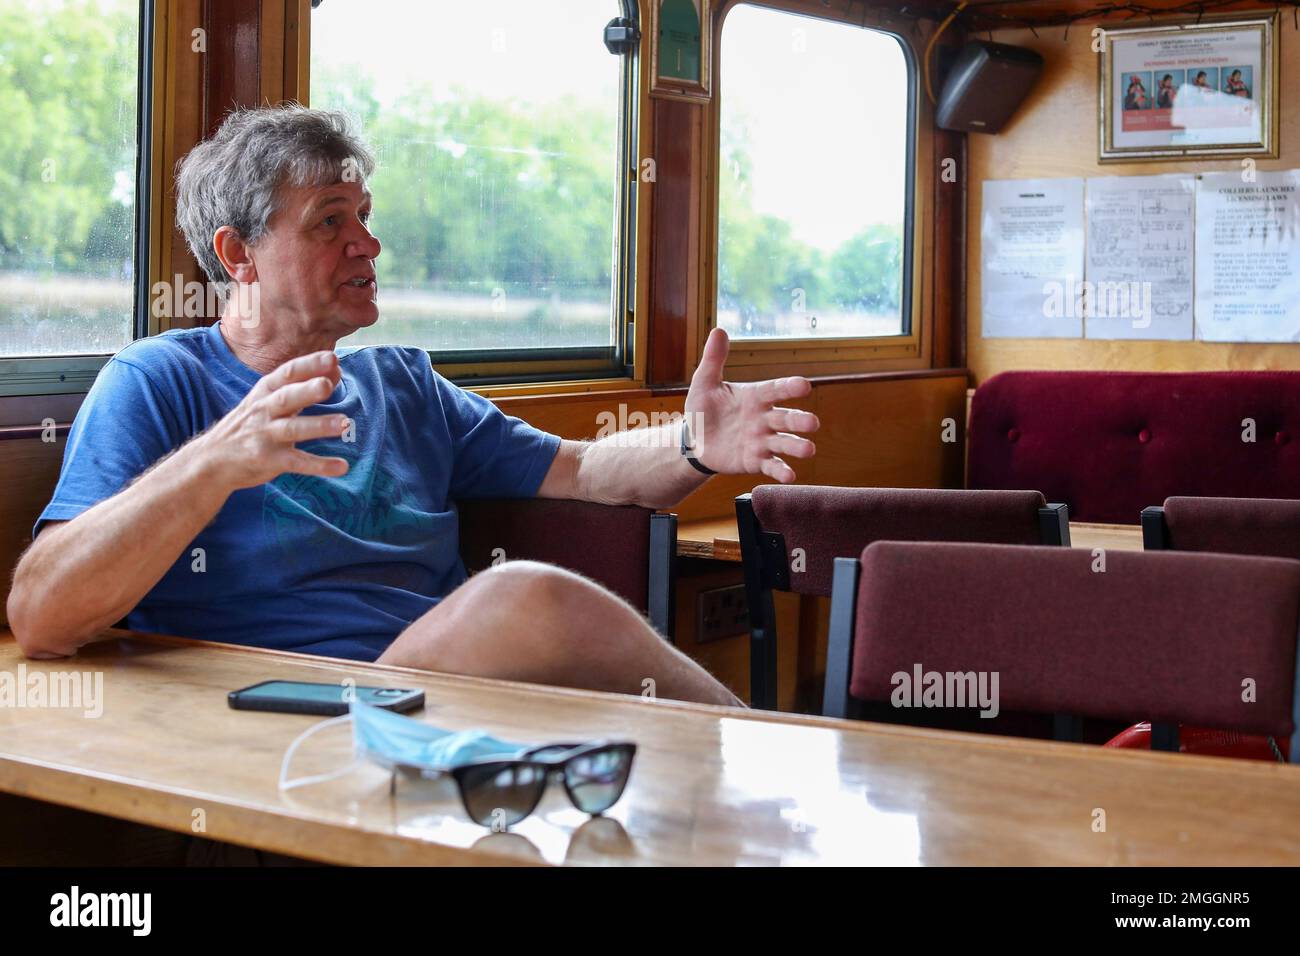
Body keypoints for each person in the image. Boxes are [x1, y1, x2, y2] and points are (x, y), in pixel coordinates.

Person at [7, 106, 822, 707]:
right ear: (236, 254)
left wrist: (692, 443)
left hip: (436, 698)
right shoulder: (157, 382)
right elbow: (43, 617)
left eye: (363, 216)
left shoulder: (404, 384)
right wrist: (219, 459)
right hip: (275, 706)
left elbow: (584, 470)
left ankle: (734, 775)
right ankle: (749, 751)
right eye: (331, 221)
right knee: (522, 599)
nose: (368, 244)